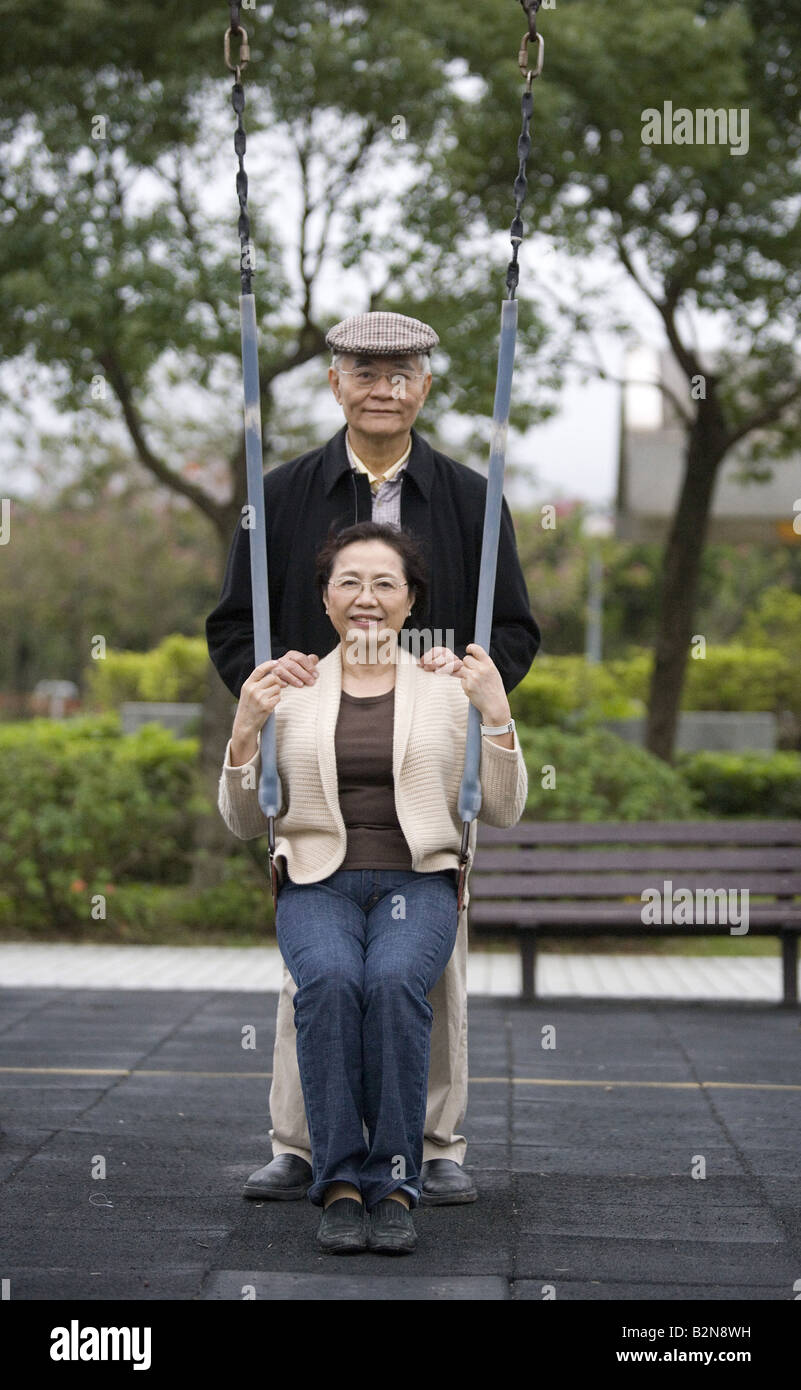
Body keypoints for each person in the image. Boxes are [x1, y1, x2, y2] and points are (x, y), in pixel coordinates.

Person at [206, 310, 540, 1205]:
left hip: (427, 751)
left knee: (424, 968)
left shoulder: (473, 496)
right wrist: (278, 694)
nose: (382, 386)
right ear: (335, 381)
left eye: (401, 371)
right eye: (364, 369)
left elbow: (510, 628)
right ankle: (302, 1142)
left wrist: (462, 687)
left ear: (426, 384)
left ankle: (435, 1144)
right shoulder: (277, 496)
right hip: (318, 744)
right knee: (311, 967)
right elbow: (234, 624)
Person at [217, 522, 528, 1253]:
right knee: (326, 982)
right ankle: (340, 1184)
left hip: (418, 880)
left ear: (412, 600)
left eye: (385, 582)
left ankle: (395, 1180)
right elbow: (239, 821)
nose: (366, 597)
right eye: (348, 582)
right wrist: (244, 729)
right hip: (317, 881)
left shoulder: (447, 686)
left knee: (391, 984)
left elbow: (507, 808)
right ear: (324, 599)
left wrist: (495, 710)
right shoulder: (289, 690)